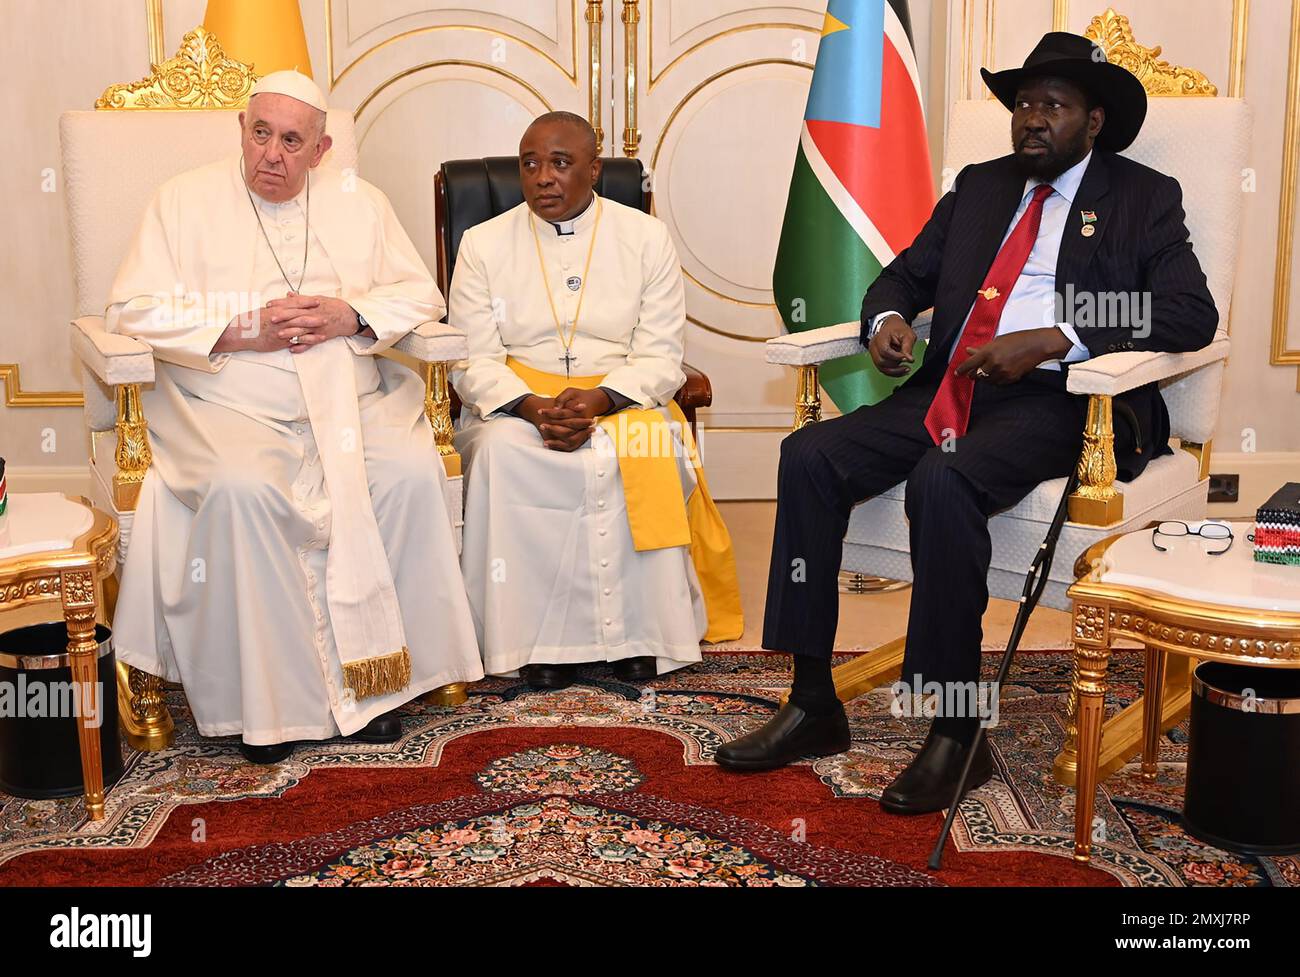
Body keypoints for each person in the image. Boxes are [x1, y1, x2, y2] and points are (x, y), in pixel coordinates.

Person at [716, 34, 1218, 815]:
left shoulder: (1143, 196)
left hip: (1064, 401)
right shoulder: (980, 188)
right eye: (1022, 104)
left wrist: (1058, 335)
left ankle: (955, 729)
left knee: (942, 479)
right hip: (949, 390)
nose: (1030, 120)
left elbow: (1189, 311)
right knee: (808, 454)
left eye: (1051, 106)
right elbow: (903, 275)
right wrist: (885, 316)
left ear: (1093, 121)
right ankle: (812, 699)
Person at [107, 71, 483, 764]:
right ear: (240, 131)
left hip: (348, 398)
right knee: (245, 490)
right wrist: (238, 327)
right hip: (228, 402)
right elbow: (130, 310)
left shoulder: (360, 204)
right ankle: (271, 707)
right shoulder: (181, 201)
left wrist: (351, 313)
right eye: (259, 133)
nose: (270, 155)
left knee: (406, 472)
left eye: (290, 140)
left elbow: (419, 294)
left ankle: (382, 686)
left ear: (321, 150)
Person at [449, 111, 743, 689]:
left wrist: (603, 400)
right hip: (516, 404)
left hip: (622, 397)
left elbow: (661, 354)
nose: (542, 178)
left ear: (594, 169)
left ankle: (642, 636)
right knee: (508, 456)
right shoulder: (482, 244)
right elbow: (471, 359)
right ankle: (533, 641)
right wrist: (533, 408)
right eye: (529, 164)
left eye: (560, 163)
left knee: (648, 445)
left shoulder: (644, 236)